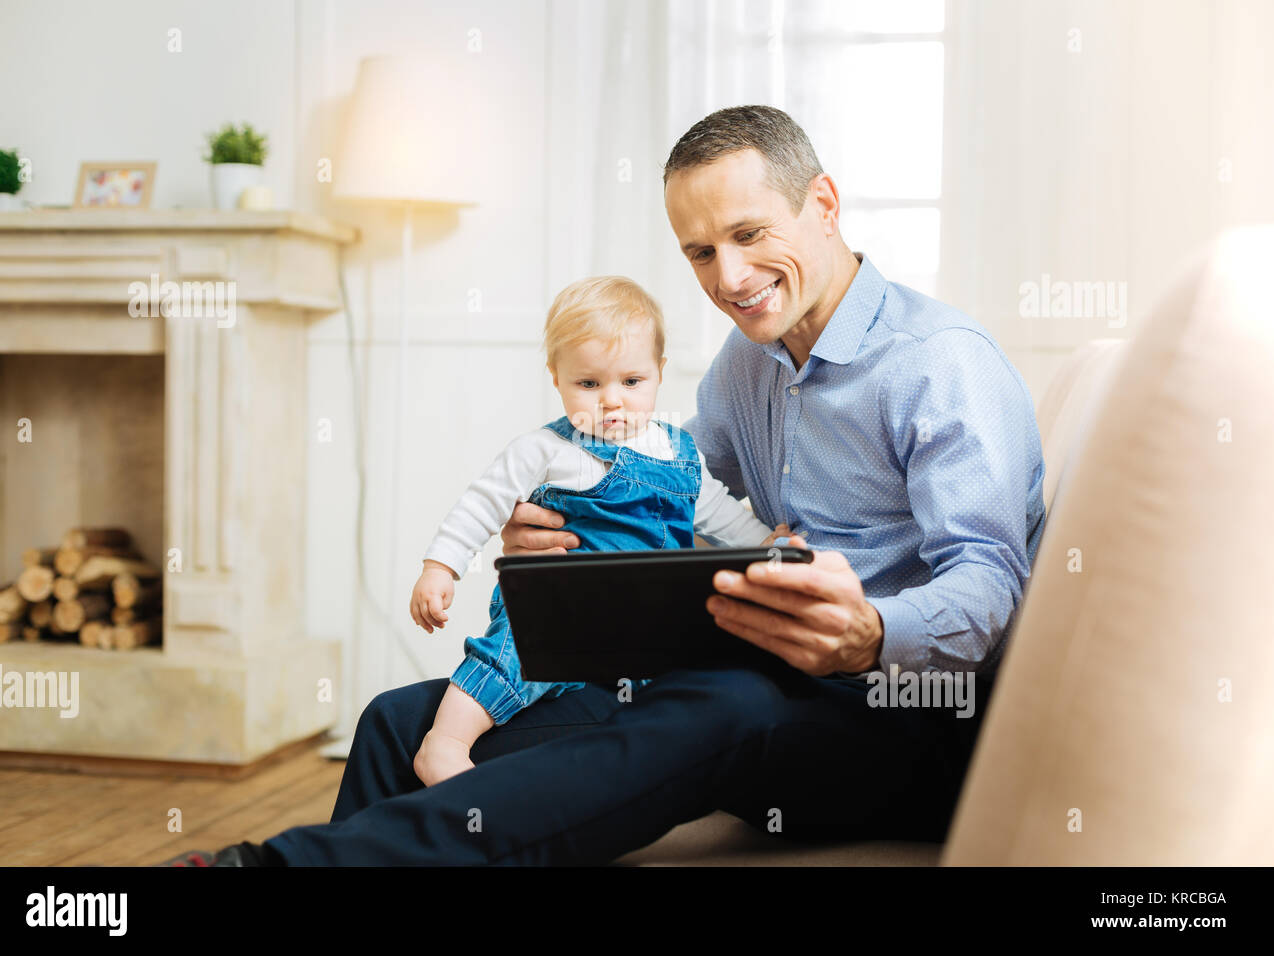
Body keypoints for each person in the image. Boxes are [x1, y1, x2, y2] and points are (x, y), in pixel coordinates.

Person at [162, 104, 1044, 867]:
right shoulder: (747, 367)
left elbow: (989, 585)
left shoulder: (940, 364)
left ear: (823, 205)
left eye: (748, 236)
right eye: (700, 251)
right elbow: (664, 494)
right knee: (401, 720)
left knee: (728, 698)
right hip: (761, 682)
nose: (727, 279)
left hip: (909, 719)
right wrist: (555, 529)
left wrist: (869, 633)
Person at [408, 275, 791, 787]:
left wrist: (769, 545)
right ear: (556, 378)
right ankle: (445, 743)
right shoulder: (544, 450)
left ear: (658, 373)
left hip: (654, 618)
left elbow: (721, 516)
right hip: (562, 609)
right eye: (588, 384)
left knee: (708, 660)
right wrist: (441, 567)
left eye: (631, 382)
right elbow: (481, 504)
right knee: (511, 654)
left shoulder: (681, 453)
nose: (611, 401)